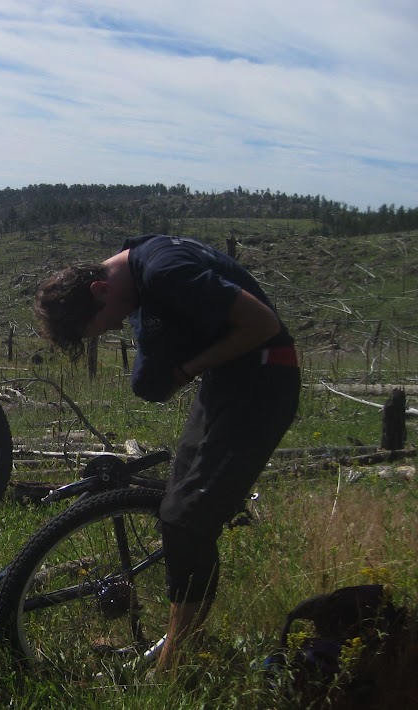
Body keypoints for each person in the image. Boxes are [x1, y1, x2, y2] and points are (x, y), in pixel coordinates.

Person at [33, 234, 300, 673]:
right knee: (177, 509)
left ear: (100, 290)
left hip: (265, 380)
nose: (120, 326)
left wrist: (184, 369)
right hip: (229, 381)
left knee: (187, 519)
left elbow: (264, 324)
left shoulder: (165, 271)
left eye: (111, 323)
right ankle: (183, 638)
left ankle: (176, 662)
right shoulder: (132, 271)